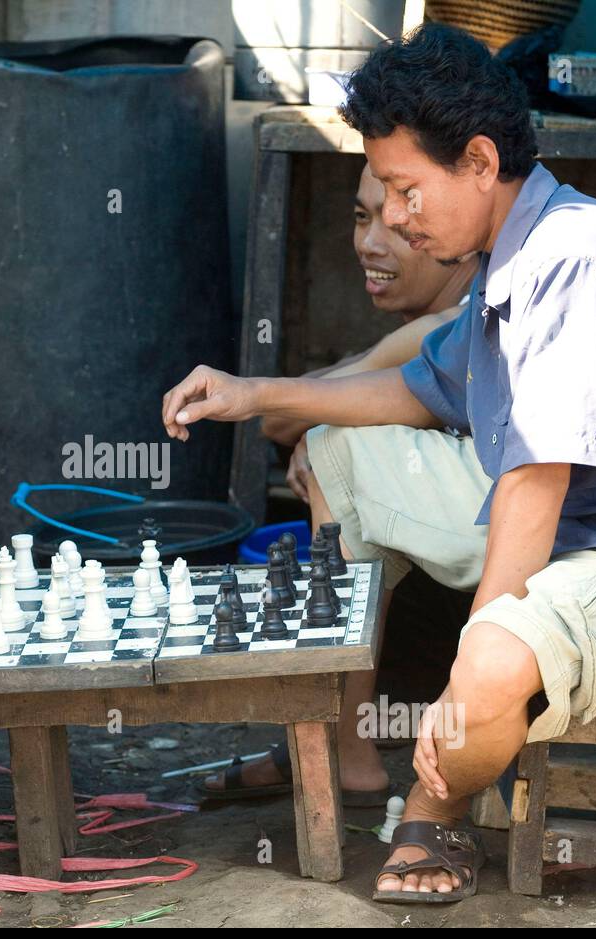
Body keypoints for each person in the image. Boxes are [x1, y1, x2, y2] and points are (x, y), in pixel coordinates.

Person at [162, 24, 596, 901]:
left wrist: (470, 663)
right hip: (564, 531)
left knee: (482, 671)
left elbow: (533, 484)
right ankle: (352, 748)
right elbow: (417, 392)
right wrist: (257, 393)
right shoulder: (508, 253)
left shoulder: (574, 258)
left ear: (479, 161)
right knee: (338, 456)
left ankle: (434, 815)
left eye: (405, 189)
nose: (392, 216)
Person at [204, 161, 477, 804]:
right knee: (336, 444)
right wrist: (335, 406)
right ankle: (342, 740)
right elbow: (298, 411)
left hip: (533, 561)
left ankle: (345, 748)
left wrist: (325, 419)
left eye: (400, 220)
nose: (373, 242)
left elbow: (282, 413)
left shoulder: (452, 321)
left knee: (335, 449)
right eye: (362, 216)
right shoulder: (439, 325)